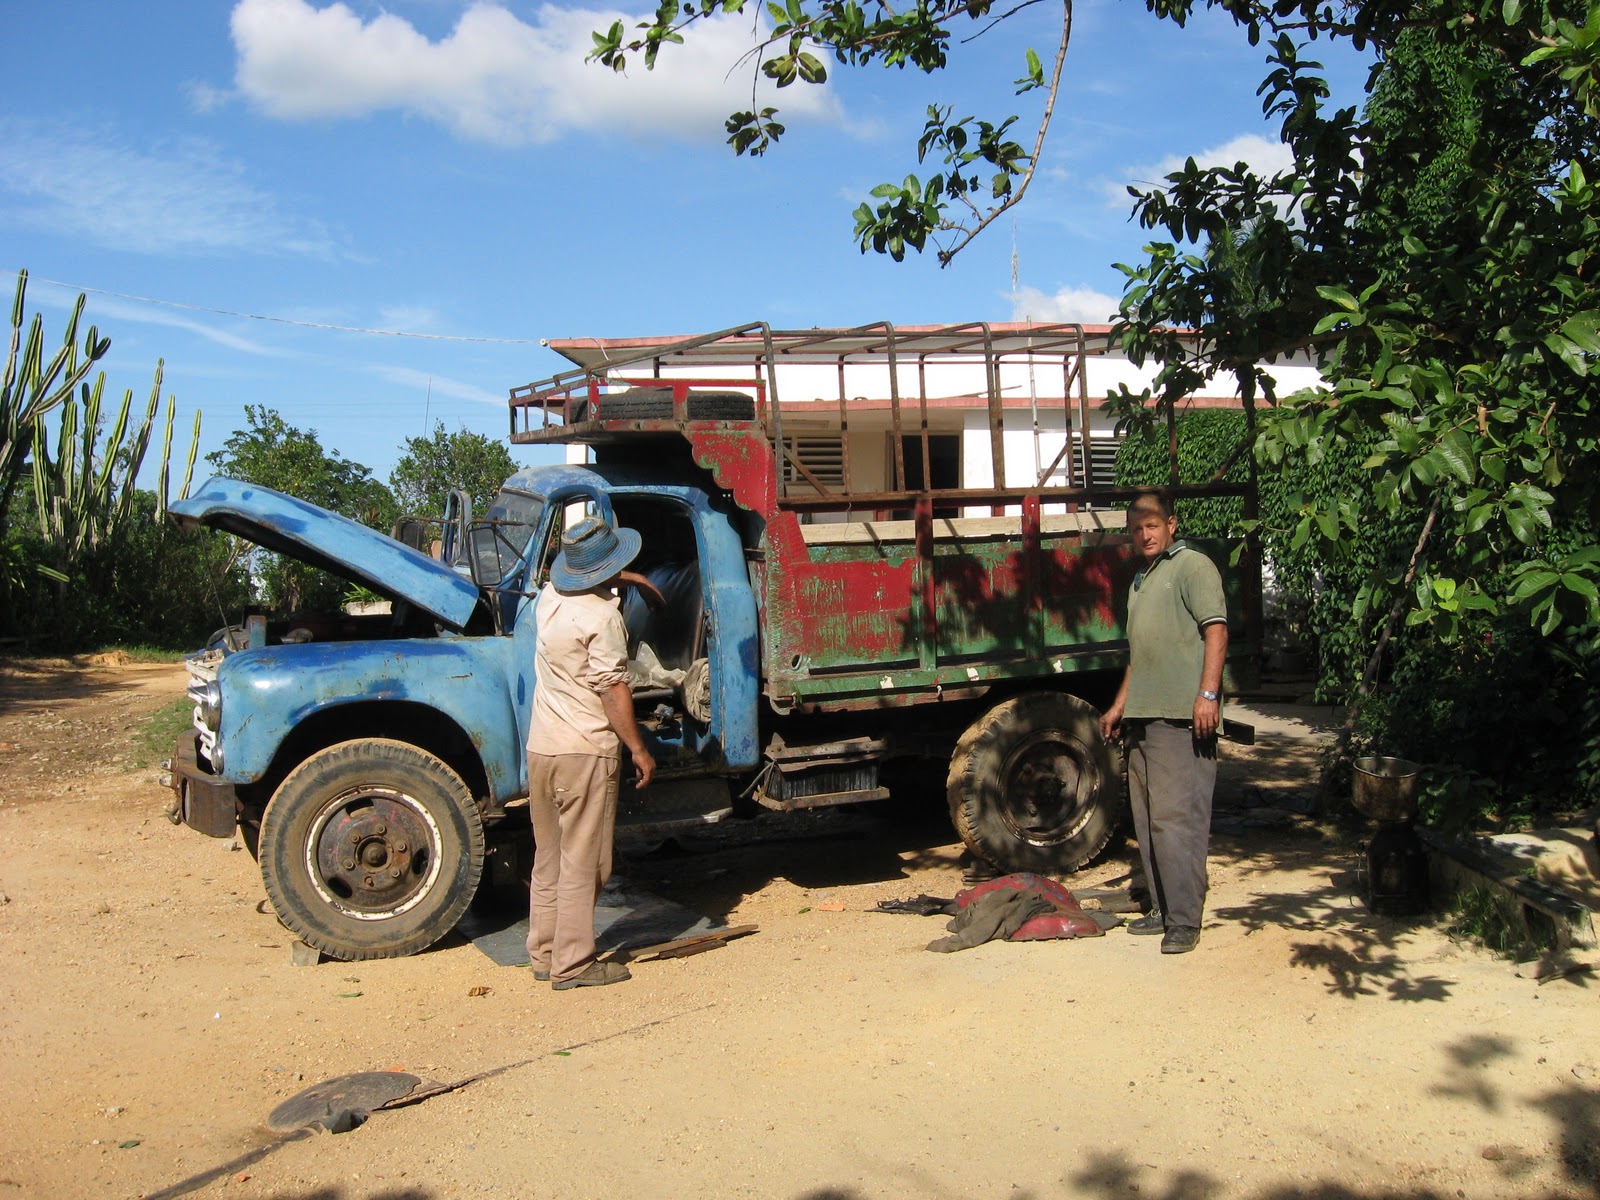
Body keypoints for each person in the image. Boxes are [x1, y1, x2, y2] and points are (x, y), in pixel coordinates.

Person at [526, 514, 656, 990]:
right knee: (587, 861)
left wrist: (626, 578)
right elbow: (612, 688)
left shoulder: (548, 598)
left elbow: (578, 586)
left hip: (543, 747)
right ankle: (575, 963)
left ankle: (544, 953)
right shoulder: (603, 618)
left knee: (549, 858)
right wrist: (638, 748)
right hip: (584, 750)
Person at [1099, 489, 1228, 955]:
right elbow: (1141, 655)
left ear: (1171, 524)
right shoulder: (1141, 579)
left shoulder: (1193, 566)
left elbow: (1216, 629)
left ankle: (1184, 920)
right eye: (1136, 529)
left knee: (1178, 821)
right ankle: (1161, 907)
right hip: (1143, 716)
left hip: (1180, 717)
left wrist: (1207, 694)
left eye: (1152, 525)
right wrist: (1119, 706)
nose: (1145, 535)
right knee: (1149, 821)